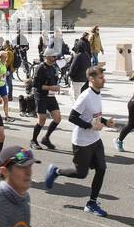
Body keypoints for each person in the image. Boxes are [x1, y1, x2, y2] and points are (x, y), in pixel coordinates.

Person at [44, 65, 113, 216]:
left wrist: (106, 122)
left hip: (95, 140)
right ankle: (56, 171)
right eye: (101, 77)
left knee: (101, 168)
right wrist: (90, 126)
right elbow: (72, 117)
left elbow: (95, 115)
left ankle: (92, 203)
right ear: (91, 79)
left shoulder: (97, 93)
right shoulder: (85, 96)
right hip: (82, 142)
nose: (104, 79)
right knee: (81, 174)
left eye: (103, 77)